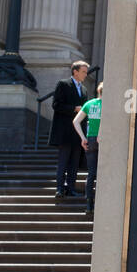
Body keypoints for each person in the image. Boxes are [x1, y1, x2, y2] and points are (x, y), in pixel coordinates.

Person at [51, 60, 90, 198]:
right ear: (75, 71)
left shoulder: (85, 90)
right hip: (65, 131)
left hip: (78, 133)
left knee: (74, 163)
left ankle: (71, 188)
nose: (86, 74)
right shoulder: (63, 84)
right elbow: (56, 104)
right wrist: (74, 108)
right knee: (63, 161)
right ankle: (60, 189)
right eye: (84, 72)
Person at [73, 82, 103, 216]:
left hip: (90, 139)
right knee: (103, 173)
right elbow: (104, 120)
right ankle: (101, 203)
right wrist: (101, 134)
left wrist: (82, 138)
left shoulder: (89, 104)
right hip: (103, 140)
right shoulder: (108, 104)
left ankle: (89, 205)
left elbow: (75, 121)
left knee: (91, 173)